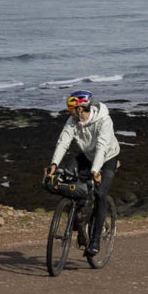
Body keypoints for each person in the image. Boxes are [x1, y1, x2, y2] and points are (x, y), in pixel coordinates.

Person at [45, 90, 121, 253]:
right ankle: (79, 216)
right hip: (87, 155)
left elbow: (101, 148)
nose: (68, 111)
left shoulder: (104, 121)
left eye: (70, 108)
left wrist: (95, 171)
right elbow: (63, 142)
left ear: (79, 109)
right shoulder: (72, 120)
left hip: (108, 157)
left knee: (100, 194)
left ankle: (95, 241)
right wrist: (54, 164)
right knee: (66, 176)